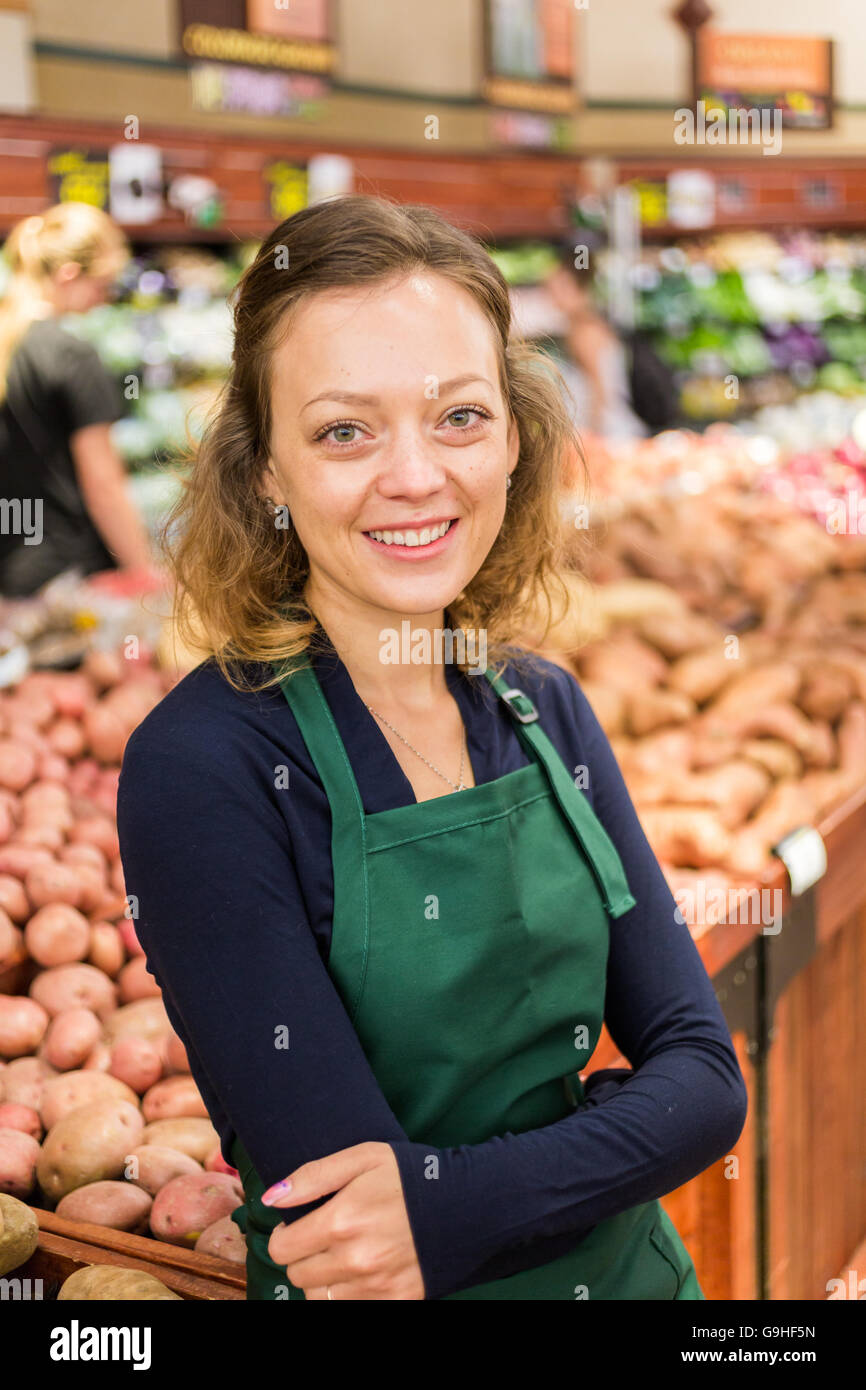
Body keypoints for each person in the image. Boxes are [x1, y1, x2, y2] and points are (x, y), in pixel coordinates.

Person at [116, 194, 747, 1301]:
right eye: (343, 430)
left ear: (513, 436)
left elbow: (705, 1079)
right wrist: (611, 1139)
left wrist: (450, 1198)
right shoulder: (203, 767)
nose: (415, 476)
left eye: (457, 415)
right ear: (264, 469)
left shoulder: (541, 703)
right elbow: (348, 1233)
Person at [0, 202, 161, 596]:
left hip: (10, 567)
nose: (102, 300)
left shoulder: (8, 345)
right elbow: (103, 483)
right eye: (101, 285)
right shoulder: (72, 354)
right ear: (69, 275)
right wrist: (144, 571)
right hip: (67, 575)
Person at [546, 255, 680, 437]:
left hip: (610, 433)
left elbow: (598, 390)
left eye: (559, 286)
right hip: (618, 430)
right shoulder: (593, 324)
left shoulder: (584, 332)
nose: (552, 294)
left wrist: (590, 437)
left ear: (579, 288)